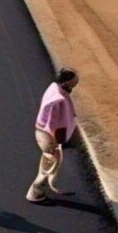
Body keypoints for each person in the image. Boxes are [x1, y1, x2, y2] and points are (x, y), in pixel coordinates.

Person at [25, 68, 79, 204]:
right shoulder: (59, 100)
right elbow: (54, 123)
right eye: (73, 82)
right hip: (48, 136)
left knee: (50, 162)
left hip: (42, 131)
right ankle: (35, 192)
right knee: (49, 164)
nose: (74, 85)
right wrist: (59, 141)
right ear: (66, 82)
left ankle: (38, 190)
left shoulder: (54, 87)